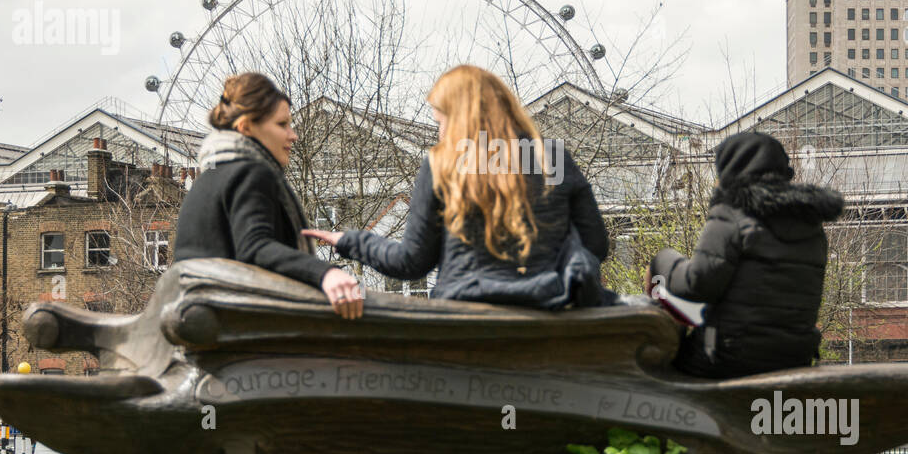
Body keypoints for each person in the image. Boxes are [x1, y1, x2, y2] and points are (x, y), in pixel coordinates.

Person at [302, 64, 612, 310]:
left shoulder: (444, 163)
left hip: (466, 318)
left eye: (441, 121)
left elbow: (411, 262)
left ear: (461, 118)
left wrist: (349, 241)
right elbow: (596, 245)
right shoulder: (553, 158)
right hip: (548, 312)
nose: (440, 132)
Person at [646, 131, 844, 377]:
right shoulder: (812, 226)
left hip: (729, 357)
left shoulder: (731, 214)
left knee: (652, 369)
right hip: (795, 356)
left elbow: (698, 284)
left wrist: (662, 261)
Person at [174, 71, 365, 319]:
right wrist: (325, 273)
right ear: (246, 127)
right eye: (282, 124)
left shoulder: (208, 178)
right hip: (246, 331)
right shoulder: (251, 173)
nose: (293, 134)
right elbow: (255, 247)